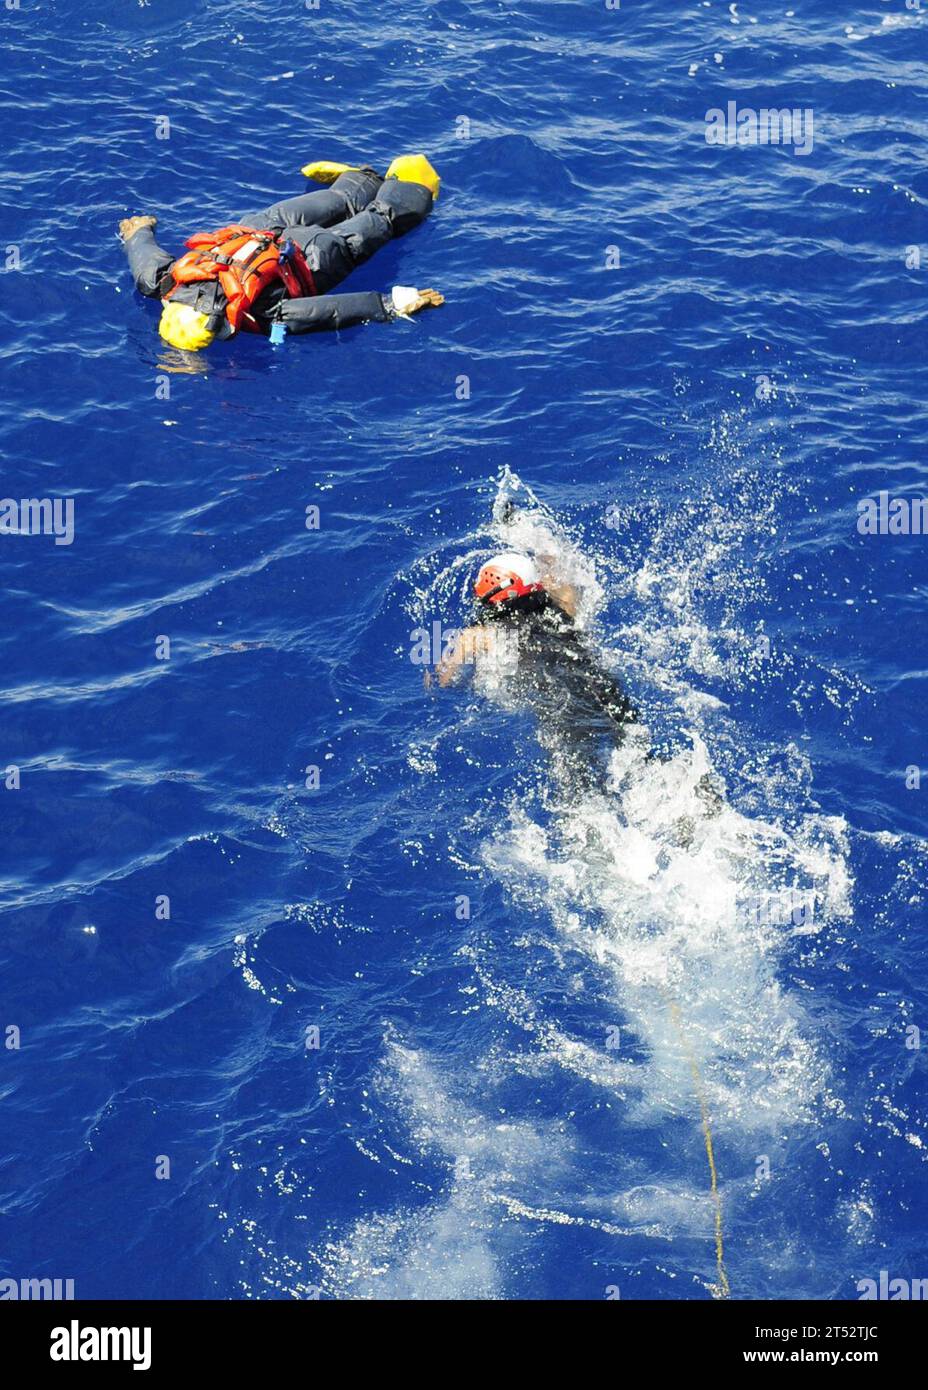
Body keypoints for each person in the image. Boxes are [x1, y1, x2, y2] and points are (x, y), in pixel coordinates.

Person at [118, 155, 444, 351]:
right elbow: (143, 259)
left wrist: (390, 305)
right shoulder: (165, 281)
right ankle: (362, 178)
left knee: (380, 220)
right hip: (260, 227)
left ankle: (413, 185)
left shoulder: (259, 313)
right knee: (339, 201)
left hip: (314, 254)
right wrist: (138, 232)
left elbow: (328, 312)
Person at [430, 551, 639, 789]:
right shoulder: (563, 602)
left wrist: (434, 678)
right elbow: (555, 564)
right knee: (634, 749)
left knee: (580, 787)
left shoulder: (479, 635)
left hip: (564, 706)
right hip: (601, 685)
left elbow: (443, 680)